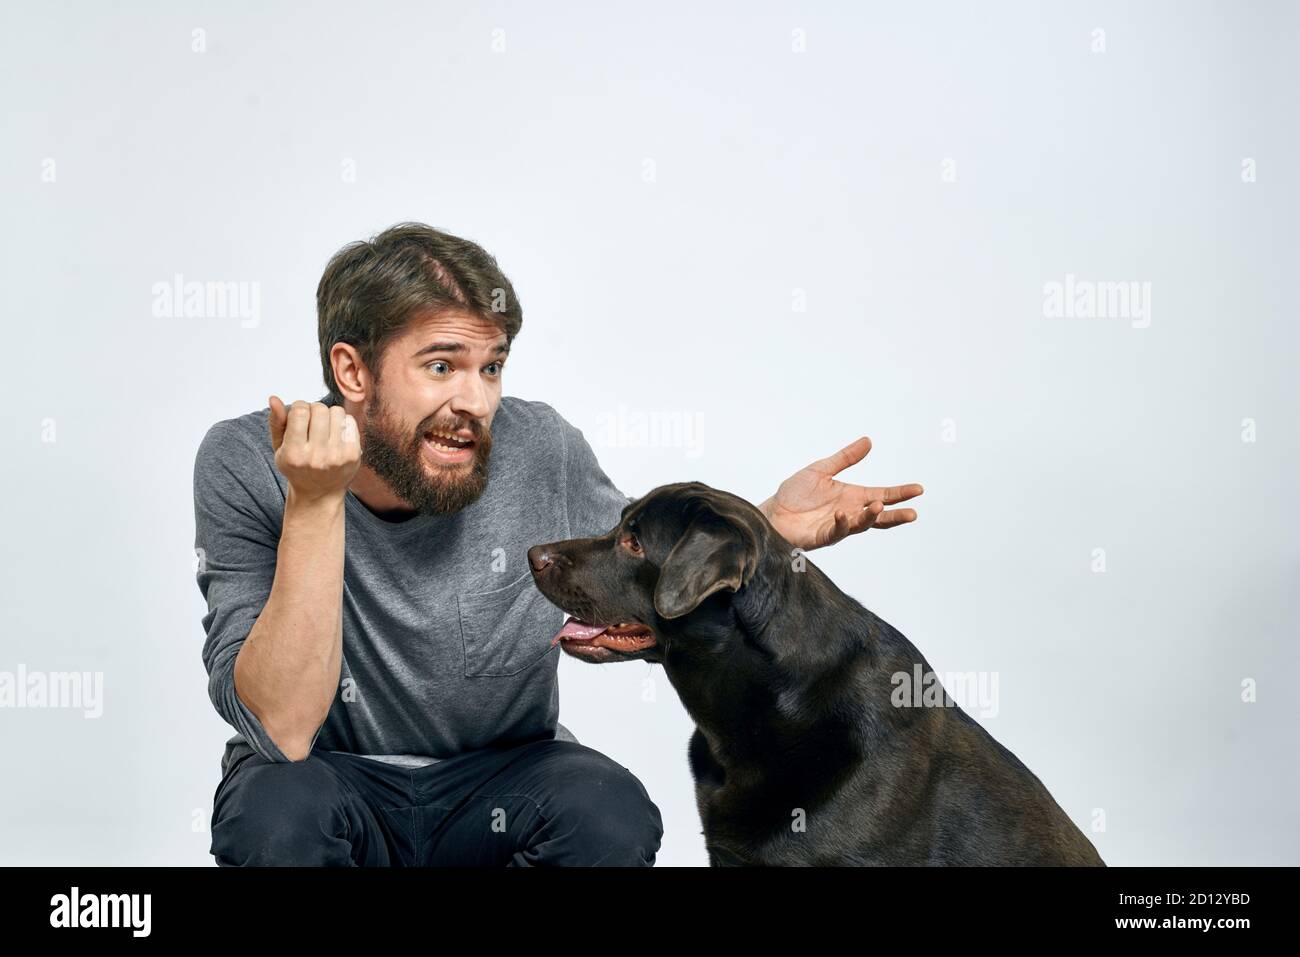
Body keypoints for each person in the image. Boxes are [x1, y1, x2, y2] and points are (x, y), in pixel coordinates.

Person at [193, 221, 924, 866]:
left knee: (607, 811)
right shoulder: (248, 462)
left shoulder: (540, 445)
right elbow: (282, 729)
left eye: (493, 366)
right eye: (441, 365)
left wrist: (760, 532)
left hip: (500, 780)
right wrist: (318, 501)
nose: (476, 403)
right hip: (328, 776)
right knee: (275, 815)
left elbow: (645, 577)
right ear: (352, 371)